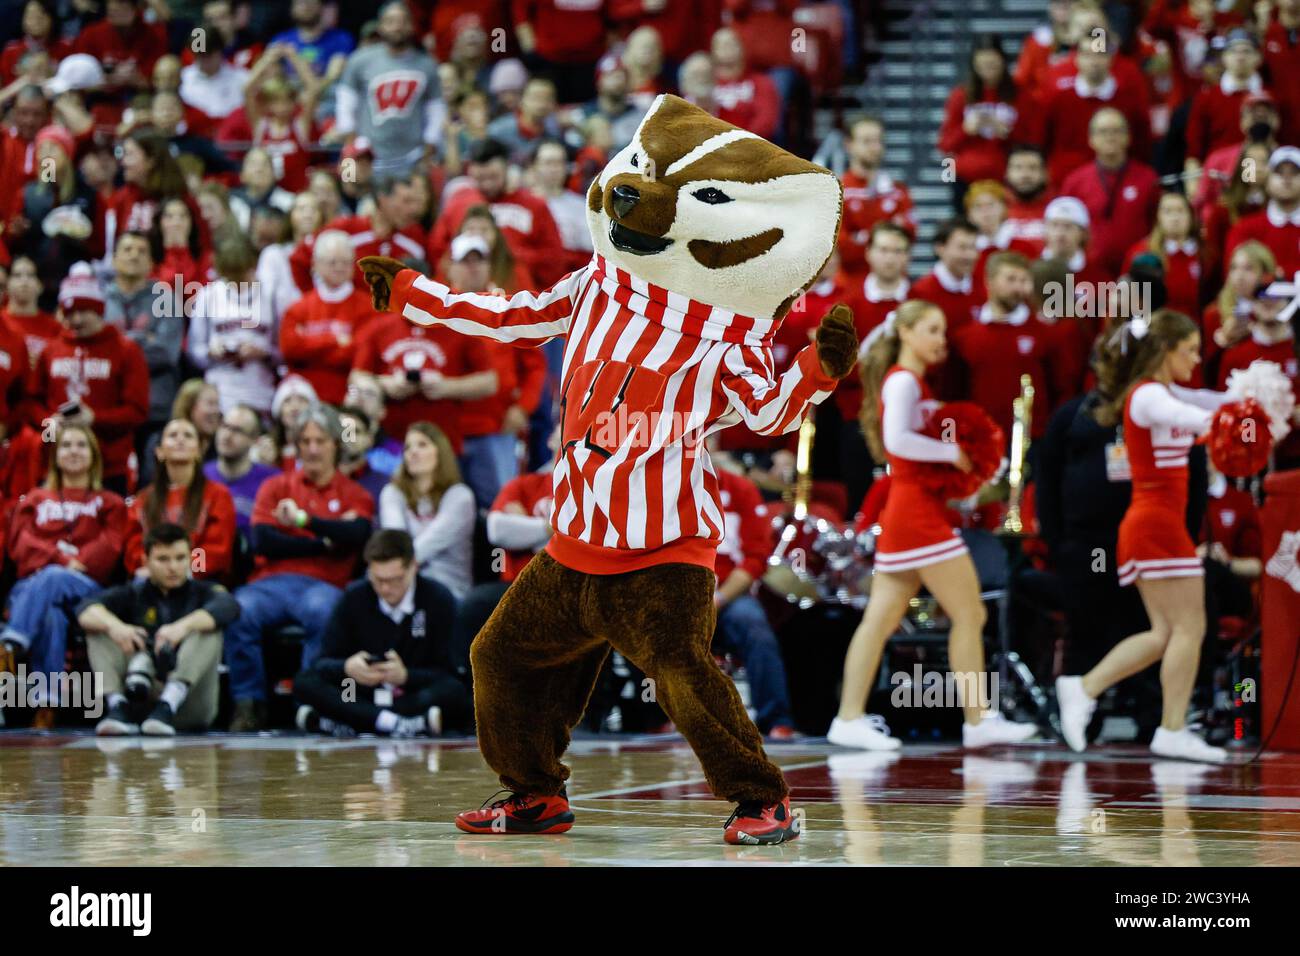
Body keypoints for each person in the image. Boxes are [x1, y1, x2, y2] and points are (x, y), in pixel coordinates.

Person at [828, 299, 1039, 751]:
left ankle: (848, 718)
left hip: (911, 510)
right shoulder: (903, 382)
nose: (941, 339)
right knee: (969, 613)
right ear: (905, 333)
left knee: (881, 619)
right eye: (932, 329)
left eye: (942, 331)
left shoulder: (911, 383)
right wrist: (952, 454)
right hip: (917, 516)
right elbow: (896, 441)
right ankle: (978, 721)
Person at [1056, 309, 1235, 763]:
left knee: (1165, 633)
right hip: (1154, 525)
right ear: (1165, 351)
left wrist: (1250, 399)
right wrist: (1232, 424)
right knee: (1190, 627)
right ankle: (1171, 727)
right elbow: (1195, 416)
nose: (1197, 359)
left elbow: (1208, 399)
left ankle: (1083, 687)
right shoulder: (1147, 396)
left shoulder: (1164, 391)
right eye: (1191, 350)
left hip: (1156, 524)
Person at [225, 404, 374, 730]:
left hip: (324, 584)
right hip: (270, 581)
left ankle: (309, 704)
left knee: (324, 613)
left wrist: (303, 523)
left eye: (320, 441)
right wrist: (323, 541)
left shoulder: (354, 493)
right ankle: (248, 703)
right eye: (305, 441)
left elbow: (356, 536)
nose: (312, 449)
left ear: (336, 444)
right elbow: (264, 541)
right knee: (238, 608)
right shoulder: (276, 486)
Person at [293, 528, 473, 737]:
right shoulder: (355, 597)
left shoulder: (438, 599)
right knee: (306, 682)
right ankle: (396, 723)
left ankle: (351, 722)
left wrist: (406, 676)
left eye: (395, 580)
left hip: (410, 693)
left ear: (413, 567)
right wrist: (347, 667)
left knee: (454, 693)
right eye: (378, 580)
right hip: (358, 692)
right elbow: (323, 663)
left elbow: (451, 673)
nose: (386, 589)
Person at [0, 424, 126, 722]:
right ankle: (47, 705)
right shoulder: (34, 499)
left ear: (94, 456)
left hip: (86, 592)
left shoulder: (110, 503)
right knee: (50, 615)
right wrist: (60, 559)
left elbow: (107, 551)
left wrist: (62, 564)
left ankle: (9, 647)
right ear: (56, 456)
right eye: (66, 445)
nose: (73, 451)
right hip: (33, 587)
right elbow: (21, 547)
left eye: (81, 445)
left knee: (54, 578)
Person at [79, 523, 237, 736]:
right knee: (99, 626)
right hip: (142, 697)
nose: (173, 567)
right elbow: (84, 610)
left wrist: (181, 628)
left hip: (189, 706)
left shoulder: (203, 591)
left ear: (191, 558)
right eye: (163, 559)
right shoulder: (132, 593)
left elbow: (229, 606)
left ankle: (168, 705)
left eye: (180, 558)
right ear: (146, 562)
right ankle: (117, 706)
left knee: (207, 627)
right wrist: (116, 627)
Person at [32, 263, 149, 495]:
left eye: (84, 311)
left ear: (99, 310)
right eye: (70, 313)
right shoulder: (51, 350)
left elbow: (137, 412)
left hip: (110, 466)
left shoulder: (126, 350)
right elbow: (32, 403)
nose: (76, 319)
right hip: (57, 462)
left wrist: (95, 418)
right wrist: (49, 424)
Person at [712, 462, 797, 740]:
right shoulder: (663, 484)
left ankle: (775, 719)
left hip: (727, 595)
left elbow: (755, 558)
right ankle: (648, 717)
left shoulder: (740, 488)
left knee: (754, 625)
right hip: (676, 595)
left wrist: (719, 598)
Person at [332, 0, 442, 176]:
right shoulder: (359, 61)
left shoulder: (427, 65)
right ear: (381, 26)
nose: (397, 27)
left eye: (402, 21)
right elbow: (345, 104)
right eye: (390, 21)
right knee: (353, 189)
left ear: (412, 26)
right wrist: (351, 148)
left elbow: (436, 109)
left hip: (413, 157)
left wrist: (430, 146)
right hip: (367, 156)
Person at [124, 417, 237, 581]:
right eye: (173, 435)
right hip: (151, 579)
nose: (180, 439)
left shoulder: (218, 495)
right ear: (159, 452)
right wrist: (157, 570)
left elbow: (218, 548)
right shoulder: (142, 500)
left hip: (199, 581)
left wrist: (182, 571)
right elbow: (133, 547)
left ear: (199, 451)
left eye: (188, 435)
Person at [379, 421, 476, 601]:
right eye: (407, 447)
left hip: (448, 588)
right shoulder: (392, 492)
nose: (413, 452)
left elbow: (426, 546)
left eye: (422, 445)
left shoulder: (460, 496)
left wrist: (399, 564)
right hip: (401, 585)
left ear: (440, 452)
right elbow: (396, 541)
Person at [1059, 108, 1161, 278]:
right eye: (1103, 131)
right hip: (1088, 273)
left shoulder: (1147, 178)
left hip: (1137, 271)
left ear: (1128, 137)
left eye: (1116, 131)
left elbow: (1156, 223)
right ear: (1091, 139)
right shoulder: (1075, 181)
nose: (1110, 136)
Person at [279, 229, 376, 404]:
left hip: (346, 399)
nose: (339, 268)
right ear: (315, 264)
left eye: (346, 262)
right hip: (302, 400)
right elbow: (290, 349)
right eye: (332, 262)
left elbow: (358, 354)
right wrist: (334, 340)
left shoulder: (368, 308)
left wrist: (309, 342)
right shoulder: (298, 308)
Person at [837, 115, 916, 276]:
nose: (875, 147)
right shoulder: (836, 191)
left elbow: (908, 236)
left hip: (896, 285)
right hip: (851, 284)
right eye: (867, 141)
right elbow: (843, 248)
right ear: (849, 144)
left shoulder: (898, 191)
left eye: (879, 140)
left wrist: (861, 235)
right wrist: (887, 231)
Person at [204, 403, 277, 538]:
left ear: (254, 440)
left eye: (237, 430)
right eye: (225, 426)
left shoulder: (272, 481)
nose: (227, 435)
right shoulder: (201, 476)